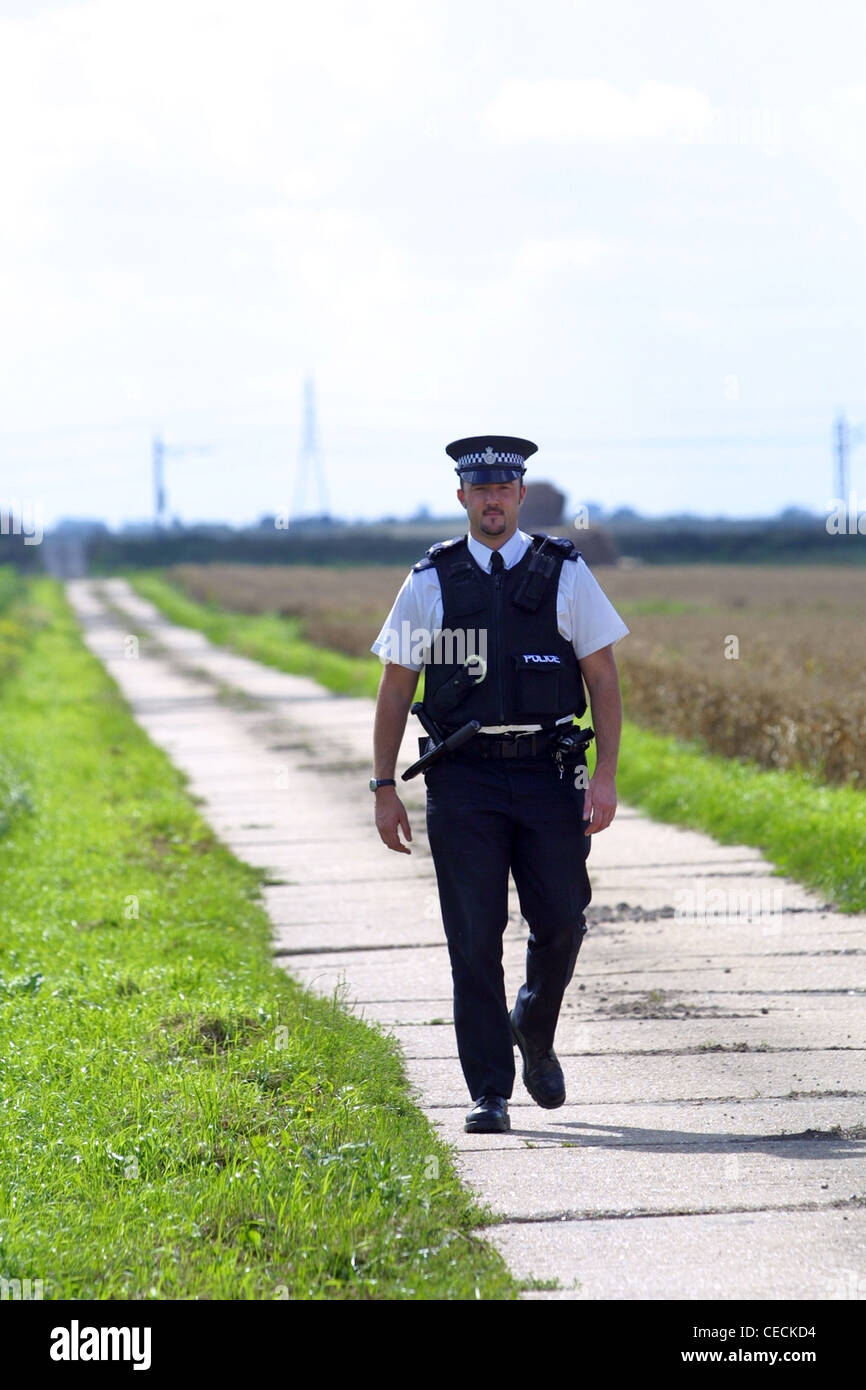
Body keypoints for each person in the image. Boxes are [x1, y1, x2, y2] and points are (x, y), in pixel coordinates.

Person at [370, 435, 629, 1133]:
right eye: (479, 489)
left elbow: (603, 679)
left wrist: (604, 777)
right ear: (462, 497)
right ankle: (490, 1091)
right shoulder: (429, 581)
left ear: (520, 495)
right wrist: (383, 785)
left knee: (564, 919)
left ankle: (533, 1025)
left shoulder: (565, 574)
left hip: (550, 775)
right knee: (473, 939)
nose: (492, 499)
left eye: (504, 487)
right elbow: (396, 690)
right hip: (464, 783)